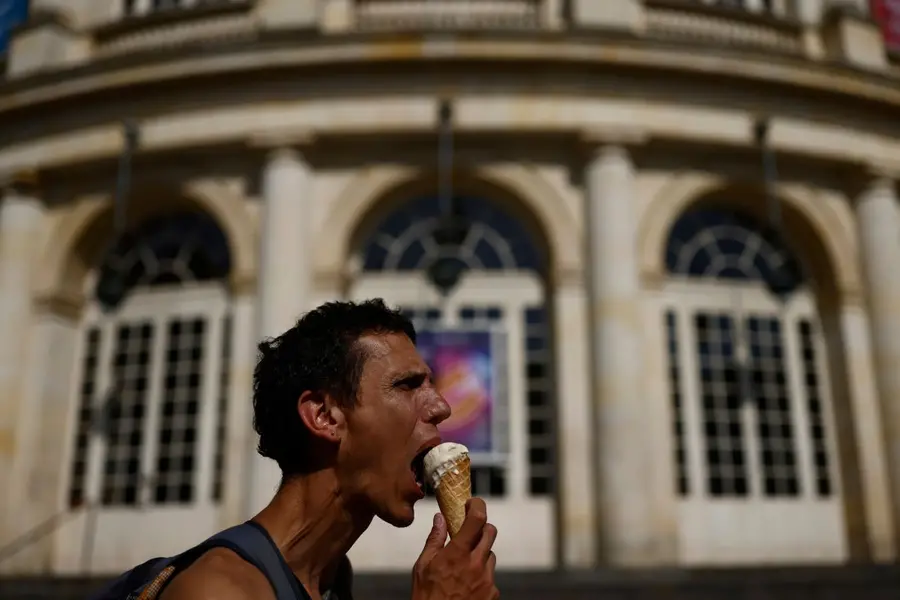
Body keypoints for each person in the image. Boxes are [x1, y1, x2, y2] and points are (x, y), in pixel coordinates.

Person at [160, 299, 499, 600]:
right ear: (325, 416)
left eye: (431, 383)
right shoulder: (221, 590)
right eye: (407, 384)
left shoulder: (331, 583)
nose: (442, 407)